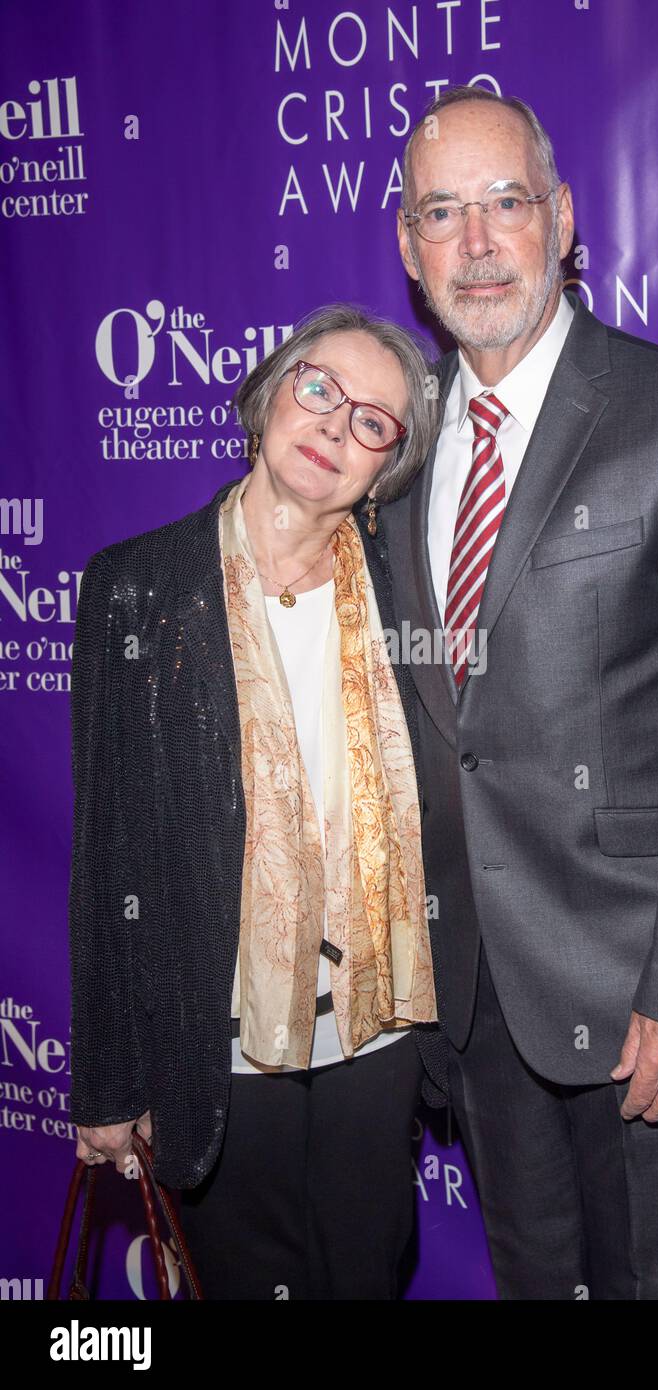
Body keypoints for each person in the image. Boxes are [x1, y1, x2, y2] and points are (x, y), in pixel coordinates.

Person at [384, 85, 658, 1299]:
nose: (475, 244)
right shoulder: (401, 453)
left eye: (504, 204)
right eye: (440, 213)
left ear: (561, 220)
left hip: (643, 1000)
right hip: (475, 1004)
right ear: (408, 251)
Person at [67, 303, 449, 1300]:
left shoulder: (417, 599)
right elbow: (107, 851)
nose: (334, 425)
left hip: (380, 1029)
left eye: (373, 420)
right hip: (218, 1035)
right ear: (265, 393)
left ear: (389, 468)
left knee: (365, 1275)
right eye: (318, 387)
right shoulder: (134, 589)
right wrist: (109, 1081)